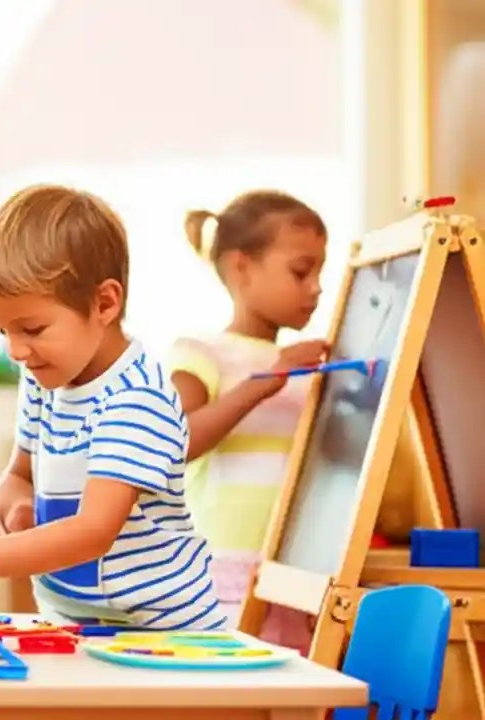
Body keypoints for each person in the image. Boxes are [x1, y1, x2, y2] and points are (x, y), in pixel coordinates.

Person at [0, 185, 225, 631]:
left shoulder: (136, 399)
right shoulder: (45, 380)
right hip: (82, 631)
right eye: (2, 330)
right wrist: (2, 512)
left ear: (104, 303)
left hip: (169, 638)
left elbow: (92, 532)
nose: (15, 350)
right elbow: (21, 474)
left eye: (31, 328)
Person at [169, 190, 329, 648]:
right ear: (241, 268)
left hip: (297, 574)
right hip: (219, 575)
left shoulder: (312, 368)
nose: (316, 286)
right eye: (301, 271)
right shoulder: (201, 352)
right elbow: (176, 442)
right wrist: (266, 380)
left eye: (320, 270)